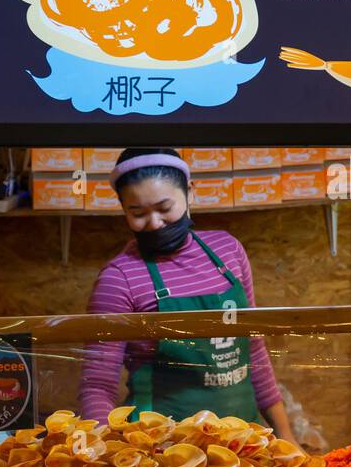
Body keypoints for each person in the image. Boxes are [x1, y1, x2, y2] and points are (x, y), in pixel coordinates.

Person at [77, 148, 293, 439]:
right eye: (137, 213)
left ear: (190, 193)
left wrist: (285, 434)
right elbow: (97, 384)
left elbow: (253, 346)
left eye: (165, 208)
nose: (154, 223)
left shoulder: (228, 251)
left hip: (244, 438)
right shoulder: (119, 279)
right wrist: (104, 451)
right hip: (161, 450)